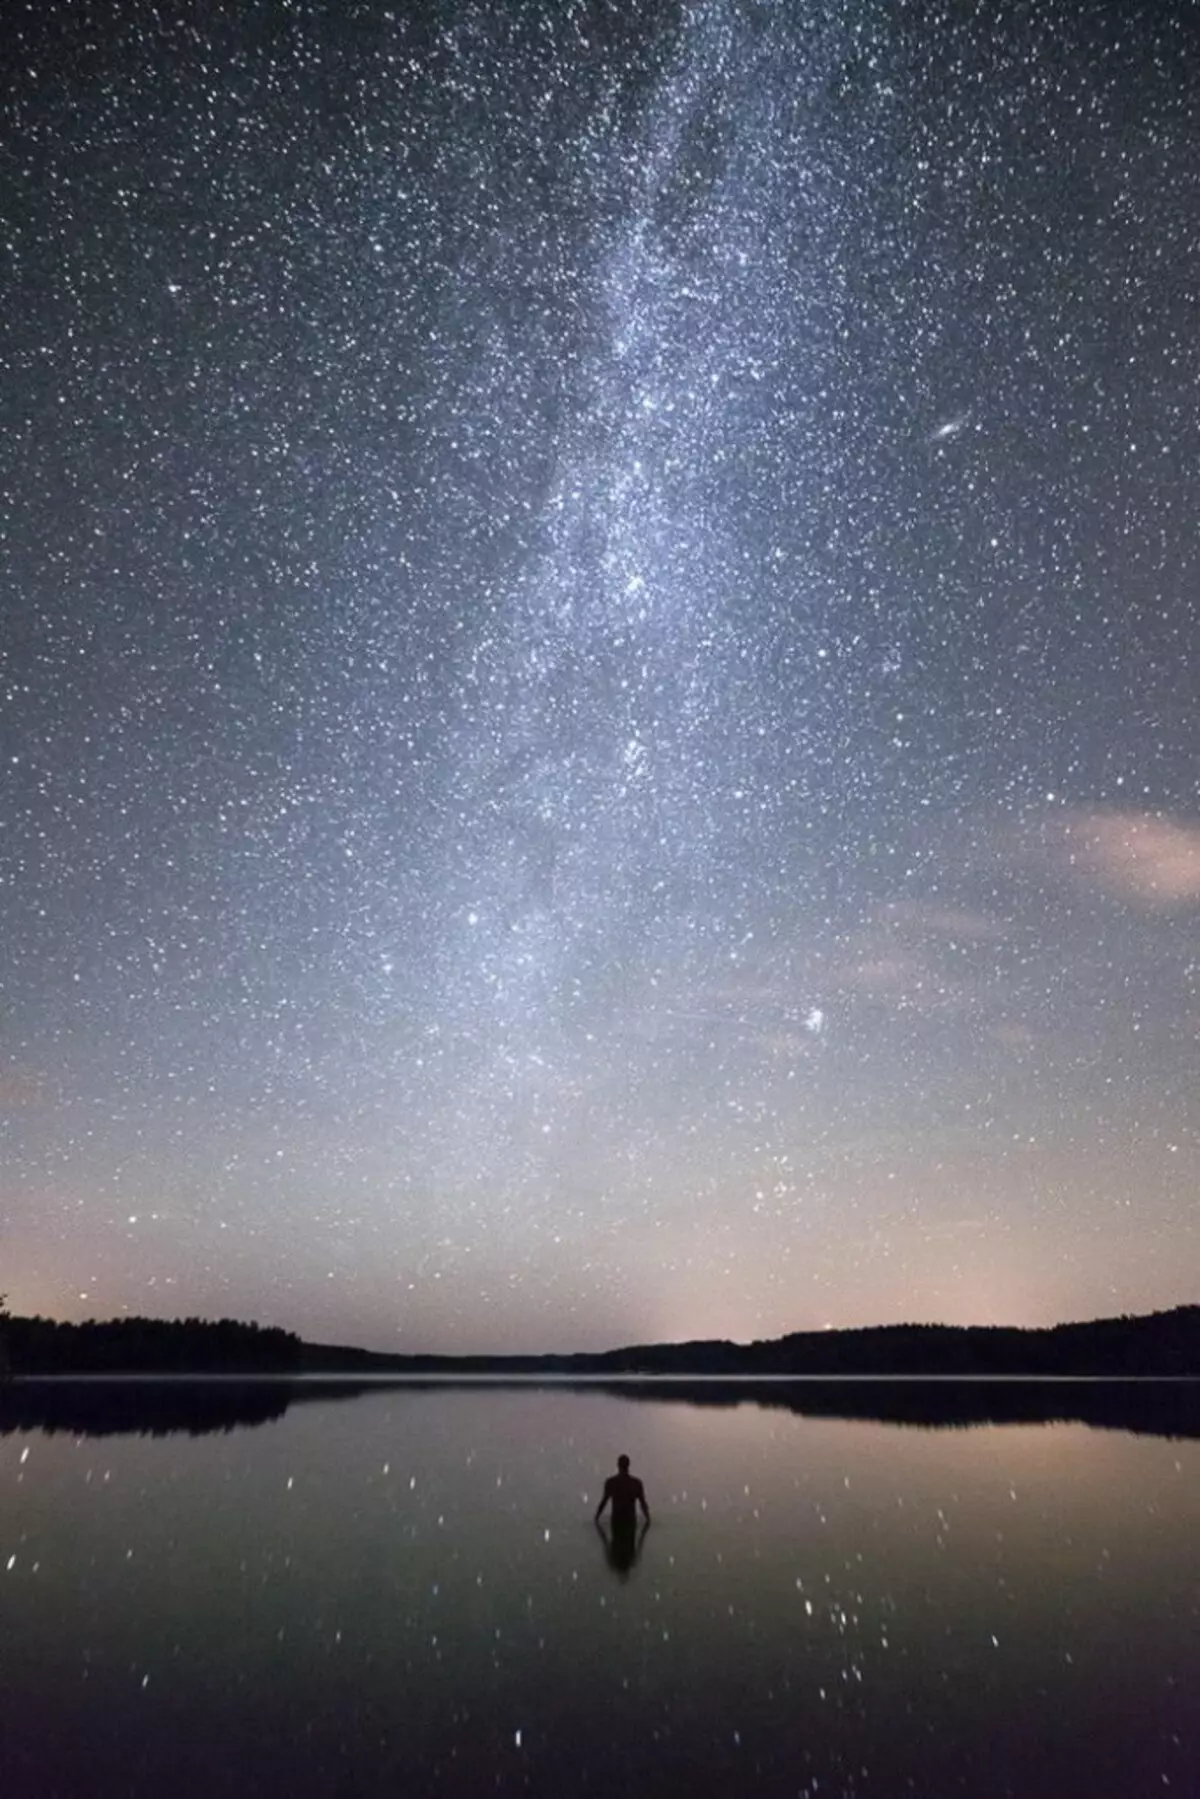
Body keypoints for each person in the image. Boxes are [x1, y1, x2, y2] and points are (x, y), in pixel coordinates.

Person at [594, 1454, 651, 1530]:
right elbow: (643, 1504)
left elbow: (603, 1502)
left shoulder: (611, 1483)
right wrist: (648, 1519)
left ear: (618, 1465)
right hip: (630, 1522)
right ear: (628, 1465)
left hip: (616, 1522)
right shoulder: (636, 1483)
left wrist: (596, 1518)